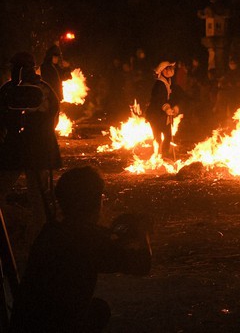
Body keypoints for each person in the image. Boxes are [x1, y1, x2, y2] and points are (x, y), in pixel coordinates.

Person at [10, 166, 152, 332]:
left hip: (25, 323)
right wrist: (143, 232)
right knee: (99, 310)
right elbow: (142, 265)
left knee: (96, 308)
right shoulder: (87, 240)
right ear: (93, 201)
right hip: (55, 325)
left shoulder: (51, 231)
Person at [0, 52, 62, 246]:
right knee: (39, 200)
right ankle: (38, 239)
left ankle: (12, 233)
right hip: (39, 149)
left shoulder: (8, 91)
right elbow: (55, 118)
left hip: (15, 148)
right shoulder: (45, 89)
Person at [145, 61, 180, 157]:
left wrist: (174, 106)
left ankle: (164, 155)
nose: (170, 70)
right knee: (158, 137)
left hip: (162, 115)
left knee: (168, 135)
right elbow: (157, 100)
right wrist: (166, 107)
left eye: (171, 68)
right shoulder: (159, 84)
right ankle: (157, 156)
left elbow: (172, 97)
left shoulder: (169, 82)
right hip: (155, 115)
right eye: (167, 68)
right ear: (162, 71)